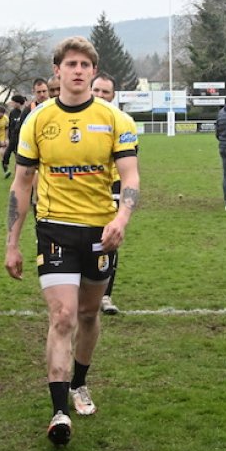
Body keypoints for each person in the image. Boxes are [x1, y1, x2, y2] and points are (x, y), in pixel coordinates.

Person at [5, 37, 139, 447]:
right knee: (62, 316)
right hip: (55, 229)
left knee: (87, 314)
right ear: (57, 70)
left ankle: (80, 382)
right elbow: (22, 183)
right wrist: (12, 242)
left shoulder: (116, 120)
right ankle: (59, 410)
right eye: (71, 64)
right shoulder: (37, 120)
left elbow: (130, 177)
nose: (78, 70)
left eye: (85, 64)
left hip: (100, 231)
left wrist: (121, 218)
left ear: (93, 72)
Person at [90, 73, 126, 316]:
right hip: (83, 188)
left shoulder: (121, 122)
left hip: (111, 186)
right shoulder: (75, 118)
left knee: (108, 240)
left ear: (113, 96)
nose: (101, 96)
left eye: (106, 92)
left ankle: (105, 295)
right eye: (97, 91)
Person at [0, 94, 25, 179]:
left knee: (19, 158)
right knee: (9, 156)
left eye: (13, 102)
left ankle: (18, 176)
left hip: (23, 139)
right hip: (13, 139)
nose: (12, 104)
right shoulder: (13, 113)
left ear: (18, 103)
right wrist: (8, 138)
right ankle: (9, 170)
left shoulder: (25, 111)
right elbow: (10, 127)